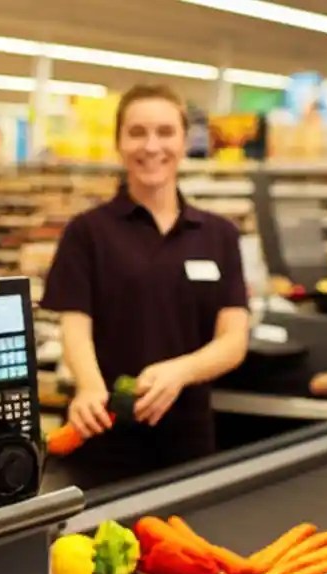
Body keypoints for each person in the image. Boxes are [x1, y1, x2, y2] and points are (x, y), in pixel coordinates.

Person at [41, 84, 251, 482]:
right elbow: (75, 327)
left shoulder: (219, 234)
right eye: (137, 132)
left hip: (189, 438)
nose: (151, 146)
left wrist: (180, 372)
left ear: (185, 141)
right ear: (118, 143)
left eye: (165, 132)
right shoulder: (88, 232)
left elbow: (233, 340)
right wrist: (88, 387)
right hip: (103, 435)